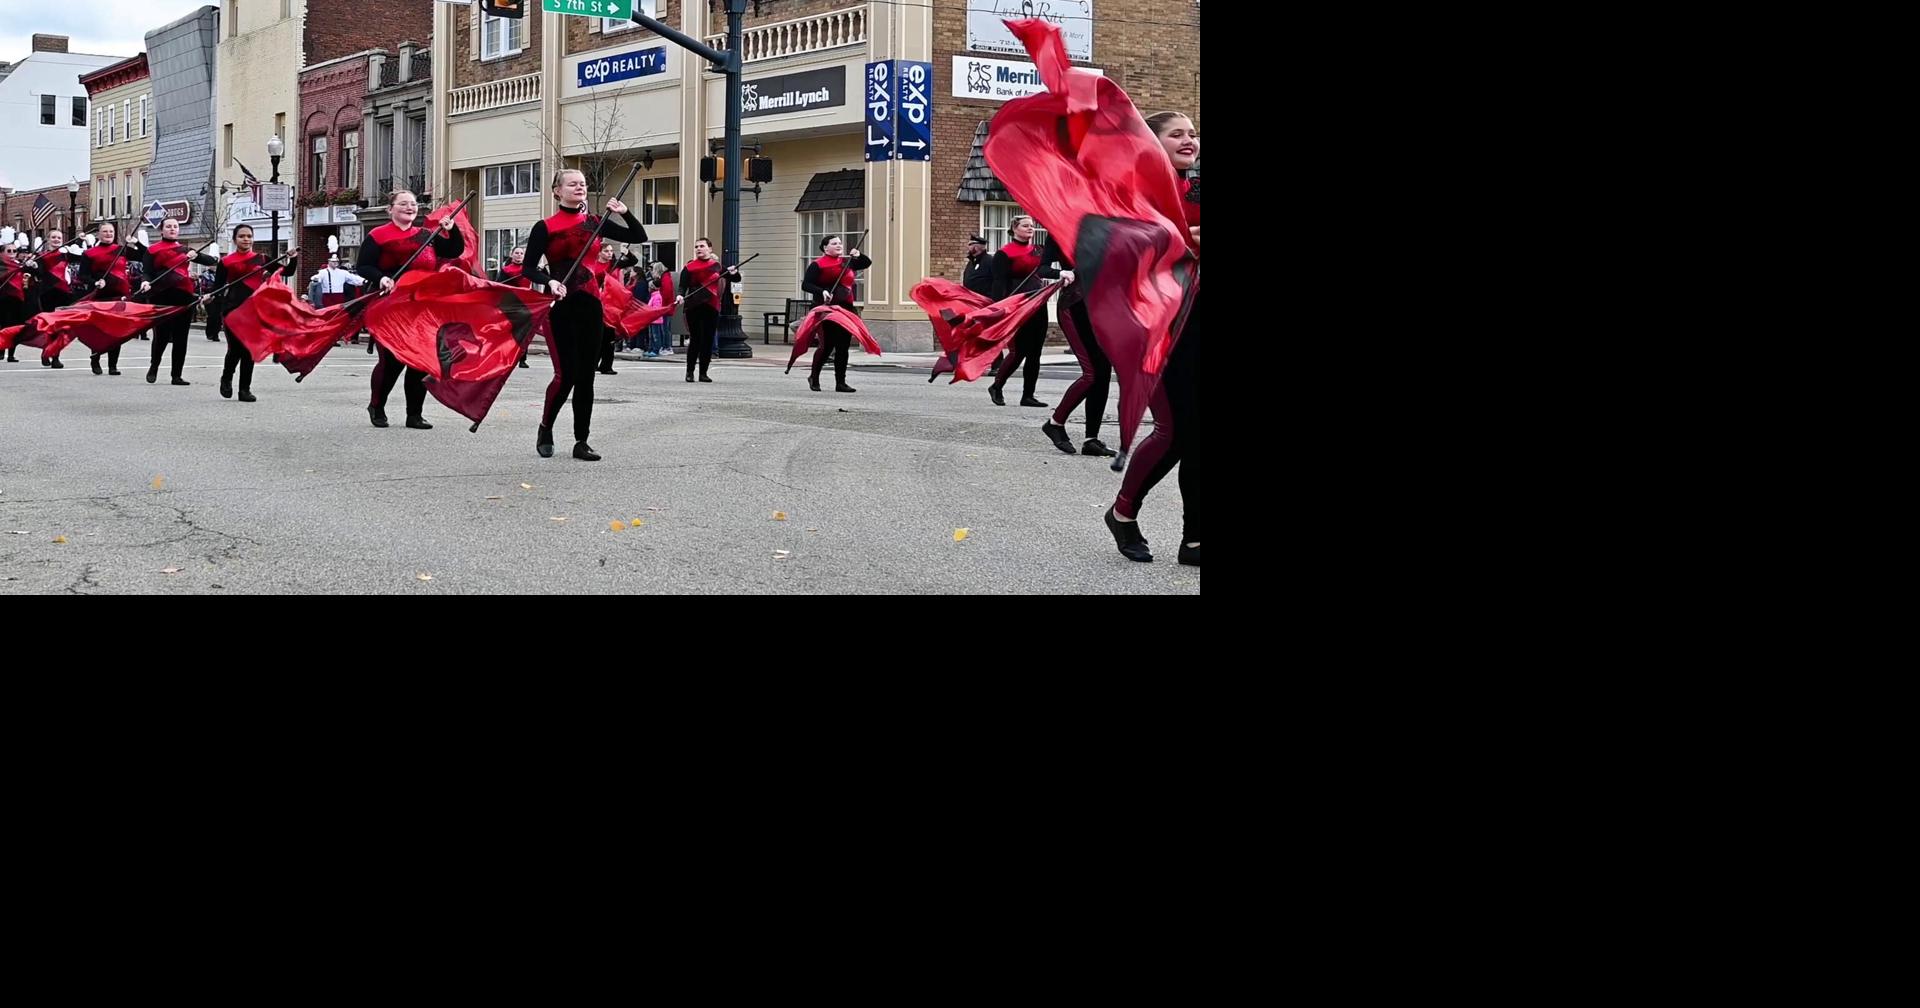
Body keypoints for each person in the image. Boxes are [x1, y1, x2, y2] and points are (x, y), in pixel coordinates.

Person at [1105, 110, 1200, 566]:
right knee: (1174, 431)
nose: (1189, 140)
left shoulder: (1195, 191)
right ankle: (1123, 514)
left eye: (1193, 134)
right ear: (1151, 142)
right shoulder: (1133, 193)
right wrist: (1183, 240)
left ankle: (1195, 539)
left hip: (1197, 320)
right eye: (1177, 134)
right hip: (1156, 326)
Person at [519, 168, 647, 460]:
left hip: (591, 306)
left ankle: (581, 441)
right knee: (566, 376)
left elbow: (638, 235)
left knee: (587, 377)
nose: (580, 187)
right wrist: (548, 280)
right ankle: (545, 426)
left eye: (583, 184)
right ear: (557, 190)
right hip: (562, 305)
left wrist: (624, 212)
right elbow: (528, 267)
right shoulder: (545, 226)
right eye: (573, 184)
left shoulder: (594, 222)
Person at [357, 189, 465, 429]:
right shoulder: (378, 235)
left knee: (420, 361)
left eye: (413, 204)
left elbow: (454, 251)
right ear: (391, 209)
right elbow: (363, 266)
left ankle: (414, 414)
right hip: (390, 305)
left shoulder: (427, 234)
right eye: (403, 203)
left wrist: (451, 230)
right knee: (392, 361)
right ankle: (377, 405)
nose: (410, 207)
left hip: (421, 307)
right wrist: (382, 278)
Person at [215, 223, 298, 402]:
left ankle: (244, 389)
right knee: (235, 349)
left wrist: (293, 258)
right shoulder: (226, 262)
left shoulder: (262, 259)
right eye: (242, 236)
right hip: (232, 310)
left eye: (249, 236)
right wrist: (210, 299)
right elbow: (218, 288)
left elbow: (288, 272)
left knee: (248, 350)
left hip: (253, 310)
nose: (246, 239)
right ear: (235, 239)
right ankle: (226, 378)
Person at [799, 234, 871, 393]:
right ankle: (814, 377)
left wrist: (859, 255)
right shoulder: (817, 264)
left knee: (843, 345)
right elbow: (806, 285)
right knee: (827, 345)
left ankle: (841, 382)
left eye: (840, 243)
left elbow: (866, 263)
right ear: (825, 248)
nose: (839, 245)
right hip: (826, 309)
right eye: (834, 243)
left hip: (846, 308)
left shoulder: (847, 262)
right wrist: (822, 291)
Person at [675, 239, 739, 384]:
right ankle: (689, 372)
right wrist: (680, 295)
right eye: (696, 246)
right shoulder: (689, 267)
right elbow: (682, 285)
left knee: (708, 340)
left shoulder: (717, 266)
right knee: (695, 339)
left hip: (712, 306)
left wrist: (734, 272)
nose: (698, 249)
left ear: (710, 249)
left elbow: (736, 278)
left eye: (702, 246)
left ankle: (703, 373)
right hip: (693, 306)